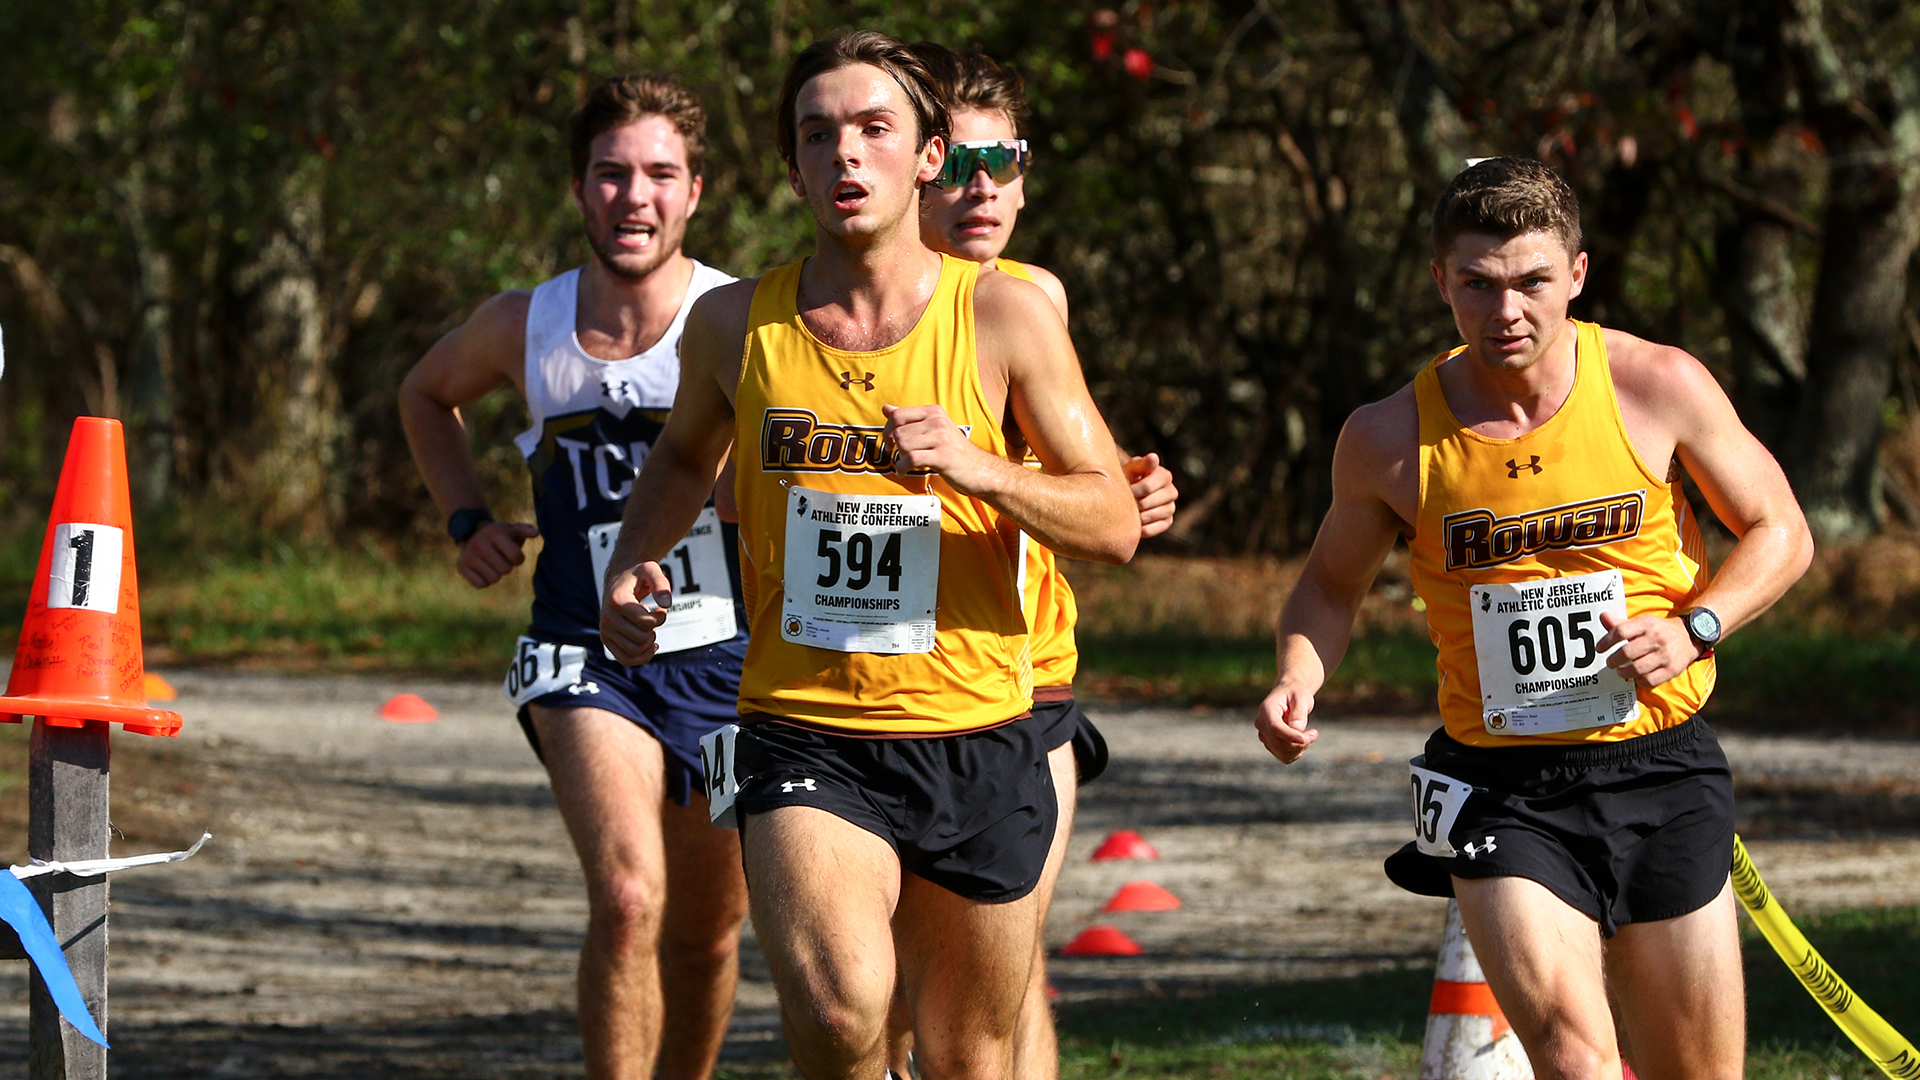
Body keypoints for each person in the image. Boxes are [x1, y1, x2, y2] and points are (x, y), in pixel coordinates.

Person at [599, 31, 1140, 1080]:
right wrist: (630, 565)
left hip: (979, 730)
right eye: (818, 135)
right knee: (845, 1011)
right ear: (792, 167)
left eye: (873, 130)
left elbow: (1110, 519)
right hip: (807, 731)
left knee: (966, 1056)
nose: (845, 154)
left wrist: (981, 469)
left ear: (928, 155)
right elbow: (677, 463)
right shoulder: (731, 326)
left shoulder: (1004, 316)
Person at [1253, 157, 1812, 1080]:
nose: (1504, 311)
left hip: (1659, 763)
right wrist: (1297, 676)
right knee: (1569, 1052)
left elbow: (1780, 531)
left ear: (1577, 276)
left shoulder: (1655, 384)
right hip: (1502, 784)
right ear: (1441, 282)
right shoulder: (1391, 438)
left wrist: (1695, 628)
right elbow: (1328, 587)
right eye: (1476, 285)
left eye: (1531, 283)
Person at [398, 74, 748, 1080]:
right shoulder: (526, 323)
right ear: (578, 189)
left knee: (706, 934)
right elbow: (424, 393)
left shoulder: (739, 321)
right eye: (610, 174)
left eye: (658, 175)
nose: (633, 198)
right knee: (630, 897)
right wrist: (465, 519)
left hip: (724, 662)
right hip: (579, 653)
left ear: (693, 192)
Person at [878, 41, 1177, 1080]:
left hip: (1023, 673)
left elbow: (1080, 475)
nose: (982, 189)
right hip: (859, 691)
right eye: (956, 164)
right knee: (880, 998)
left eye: (1002, 163)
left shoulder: (1033, 296)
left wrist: (1132, 489)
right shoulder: (832, 309)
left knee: (998, 979)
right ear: (911, 168)